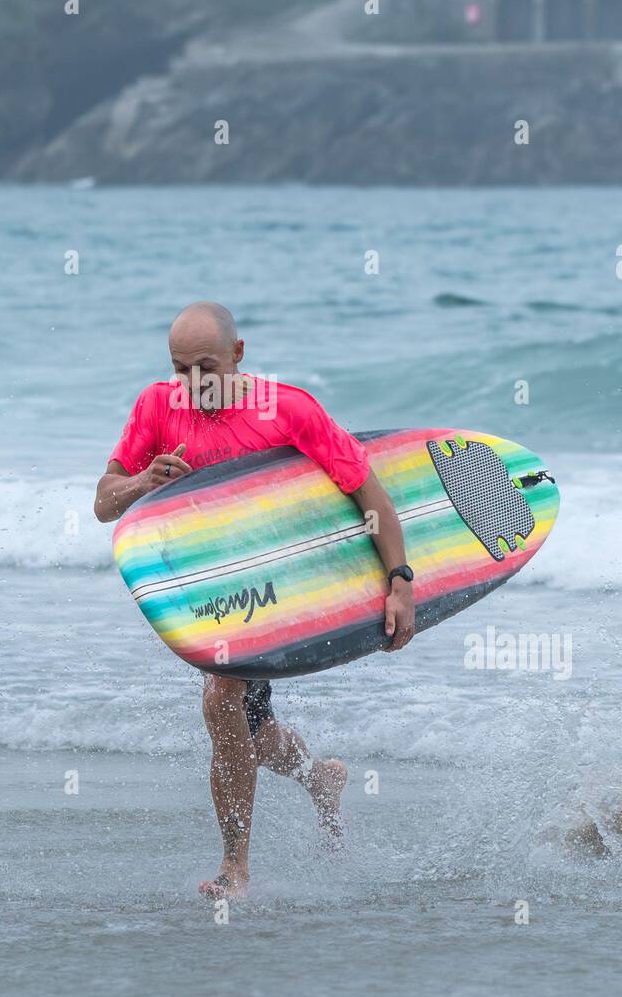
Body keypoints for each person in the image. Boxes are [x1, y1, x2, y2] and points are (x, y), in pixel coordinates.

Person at [94, 302, 415, 899]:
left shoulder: (288, 410)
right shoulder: (157, 407)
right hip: (209, 589)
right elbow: (104, 502)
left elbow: (367, 491)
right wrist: (141, 483)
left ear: (239, 356)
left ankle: (235, 868)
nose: (193, 384)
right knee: (250, 728)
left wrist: (399, 582)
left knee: (221, 701)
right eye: (179, 368)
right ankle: (319, 778)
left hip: (279, 587)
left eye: (207, 368)